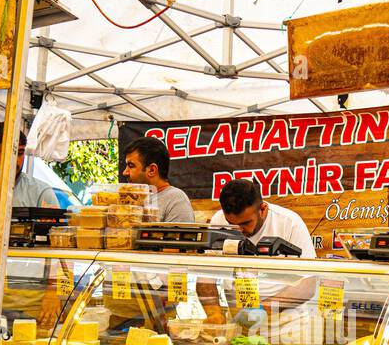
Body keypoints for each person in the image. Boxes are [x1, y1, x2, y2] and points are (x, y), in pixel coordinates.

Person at [200, 179, 317, 325]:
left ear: (263, 209)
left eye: (245, 223)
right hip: (240, 323)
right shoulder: (219, 221)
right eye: (232, 224)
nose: (240, 230)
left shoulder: (289, 222)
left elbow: (308, 285)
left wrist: (264, 309)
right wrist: (214, 312)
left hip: (286, 326)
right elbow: (205, 276)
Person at [121, 135, 194, 222]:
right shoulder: (132, 200)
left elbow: (177, 235)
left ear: (152, 170)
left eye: (131, 166)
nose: (125, 172)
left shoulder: (175, 200)